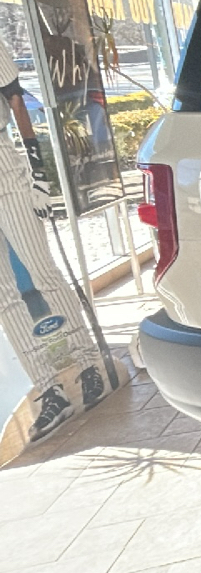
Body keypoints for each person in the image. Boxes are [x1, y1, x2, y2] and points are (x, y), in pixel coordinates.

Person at [0, 51, 104, 440]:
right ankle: (49, 390)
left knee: (43, 273)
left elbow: (14, 98)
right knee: (4, 295)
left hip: (7, 173)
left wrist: (38, 174)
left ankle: (88, 365)